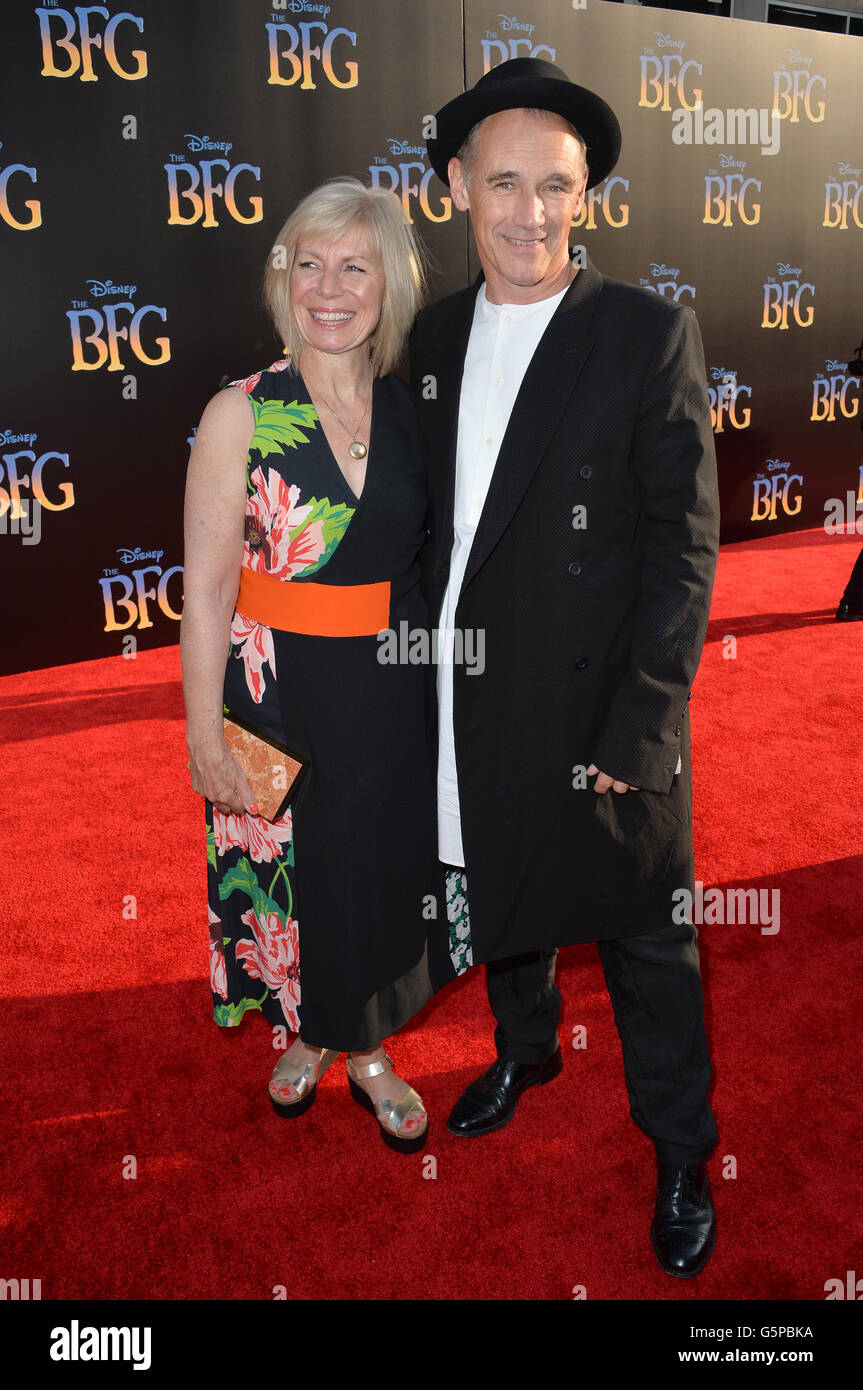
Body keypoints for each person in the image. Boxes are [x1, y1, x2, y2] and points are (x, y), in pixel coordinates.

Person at [411, 59, 721, 1273]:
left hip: (604, 705)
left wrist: (642, 728)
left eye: (554, 185)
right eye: (502, 183)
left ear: (583, 194)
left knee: (648, 942)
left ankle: (683, 1148)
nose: (527, 211)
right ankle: (524, 1049)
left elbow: (682, 550)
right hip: (470, 686)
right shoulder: (428, 337)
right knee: (498, 894)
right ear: (455, 188)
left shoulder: (645, 333)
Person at [181, 177, 450, 1153]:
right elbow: (208, 589)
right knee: (291, 870)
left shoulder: (417, 408)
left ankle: (368, 1046)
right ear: (280, 277)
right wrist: (202, 731)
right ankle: (303, 1032)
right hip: (272, 689)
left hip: (392, 687)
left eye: (355, 266)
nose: (329, 288)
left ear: (389, 287)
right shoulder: (239, 414)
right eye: (310, 264)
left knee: (377, 871)